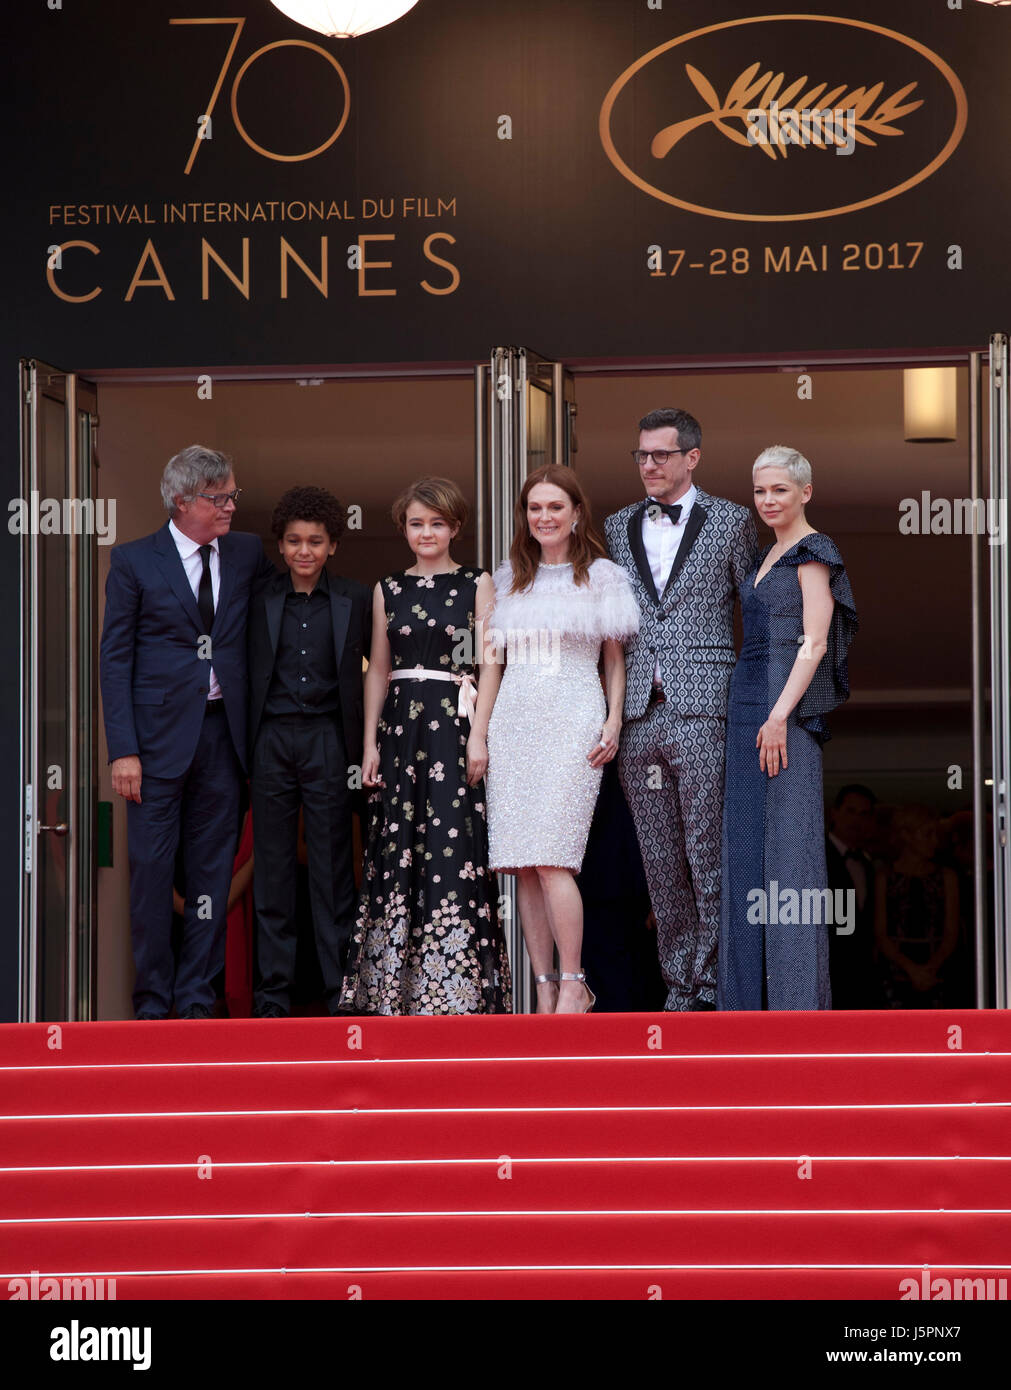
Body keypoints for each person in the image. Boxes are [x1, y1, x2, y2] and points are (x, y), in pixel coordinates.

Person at [100, 445, 274, 1019]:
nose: (229, 507)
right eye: (217, 498)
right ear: (181, 501)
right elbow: (115, 657)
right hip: (152, 747)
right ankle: (152, 1000)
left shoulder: (246, 553)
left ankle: (196, 997)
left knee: (211, 874)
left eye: (232, 496)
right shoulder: (134, 561)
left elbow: (284, 604)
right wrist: (122, 749)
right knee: (151, 872)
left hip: (224, 739)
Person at [338, 477, 510, 1015]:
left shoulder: (476, 582)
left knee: (454, 850)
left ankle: (457, 994)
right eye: (417, 523)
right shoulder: (386, 588)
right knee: (396, 850)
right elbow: (378, 671)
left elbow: (490, 662)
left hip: (452, 727)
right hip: (398, 729)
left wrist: (480, 734)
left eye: (437, 523)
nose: (427, 532)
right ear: (404, 529)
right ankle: (396, 991)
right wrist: (369, 743)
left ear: (455, 527)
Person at [605, 408, 758, 1012]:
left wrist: (758, 702)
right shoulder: (618, 526)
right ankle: (680, 987)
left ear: (691, 457)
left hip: (705, 703)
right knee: (660, 858)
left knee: (707, 849)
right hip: (641, 708)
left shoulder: (734, 521)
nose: (648, 465)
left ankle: (720, 983)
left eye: (660, 455)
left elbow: (759, 612)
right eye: (641, 455)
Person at [487, 464, 639, 1014]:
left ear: (576, 514)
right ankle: (543, 986)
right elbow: (493, 668)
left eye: (555, 507)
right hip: (515, 720)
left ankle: (575, 982)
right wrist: (481, 735)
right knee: (523, 861)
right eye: (535, 508)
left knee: (555, 857)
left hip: (574, 714)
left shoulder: (601, 576)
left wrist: (614, 719)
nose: (544, 517)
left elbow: (614, 659)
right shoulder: (507, 578)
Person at [718, 446, 858, 1011]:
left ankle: (797, 1010)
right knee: (745, 847)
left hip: (785, 710)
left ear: (805, 492)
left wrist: (780, 715)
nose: (768, 501)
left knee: (790, 853)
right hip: (746, 702)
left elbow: (817, 641)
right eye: (759, 491)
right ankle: (743, 1007)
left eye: (779, 490)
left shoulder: (813, 550)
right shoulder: (760, 556)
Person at [247, 486, 371, 1018]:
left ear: (333, 546)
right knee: (272, 871)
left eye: (315, 541)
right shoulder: (257, 598)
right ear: (280, 544)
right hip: (270, 739)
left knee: (333, 872)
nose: (304, 550)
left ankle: (339, 994)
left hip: (328, 739)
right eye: (294, 540)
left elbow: (380, 670)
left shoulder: (357, 599)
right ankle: (272, 997)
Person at [874, 804, 959, 1009]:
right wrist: (911, 969)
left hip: (937, 969)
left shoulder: (947, 877)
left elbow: (951, 932)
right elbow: (880, 932)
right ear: (907, 836)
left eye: (935, 834)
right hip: (895, 970)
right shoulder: (884, 876)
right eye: (927, 834)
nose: (935, 841)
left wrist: (929, 969)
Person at [826, 783, 882, 1009]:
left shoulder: (867, 864)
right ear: (835, 813)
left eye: (864, 814)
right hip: (828, 974)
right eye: (850, 811)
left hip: (861, 977)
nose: (856, 820)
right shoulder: (816, 858)